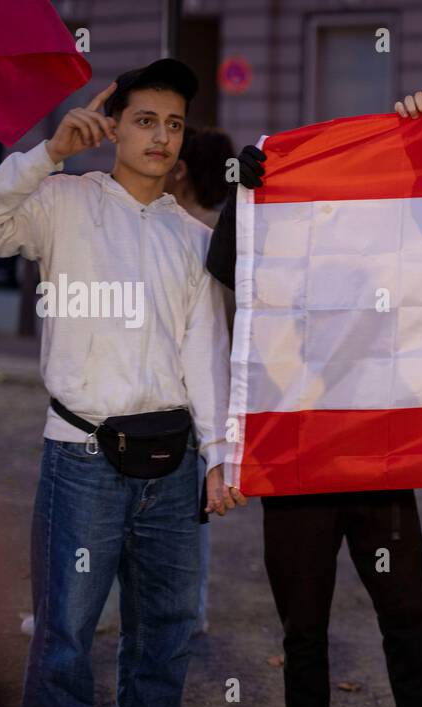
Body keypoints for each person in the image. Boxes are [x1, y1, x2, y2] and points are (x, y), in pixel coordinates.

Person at [0, 59, 245, 707]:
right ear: (113, 126)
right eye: (145, 119)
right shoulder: (63, 203)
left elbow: (205, 352)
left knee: (166, 636)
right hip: (81, 455)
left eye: (173, 124)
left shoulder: (194, 237)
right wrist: (46, 153)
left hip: (175, 461)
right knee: (66, 638)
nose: (159, 136)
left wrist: (220, 457)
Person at [205, 116, 422, 707]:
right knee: (303, 625)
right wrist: (242, 193)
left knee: (405, 615)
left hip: (377, 459)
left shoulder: (389, 259)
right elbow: (228, 264)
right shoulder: (280, 252)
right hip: (295, 462)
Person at [164, 126, 238, 636]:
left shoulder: (189, 233)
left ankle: (184, 611)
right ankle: (194, 609)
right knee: (196, 512)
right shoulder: (232, 229)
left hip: (188, 390)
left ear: (182, 168)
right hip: (226, 387)